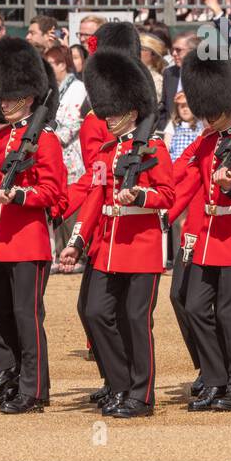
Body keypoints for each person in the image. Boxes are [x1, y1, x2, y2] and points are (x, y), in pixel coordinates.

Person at [0, 39, 66, 415]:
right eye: (1, 95)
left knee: (25, 315)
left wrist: (21, 197)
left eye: (9, 95)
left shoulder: (45, 139)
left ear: (29, 96)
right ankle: (7, 368)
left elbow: (53, 191)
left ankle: (33, 389)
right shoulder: (2, 136)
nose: (2, 102)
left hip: (27, 240)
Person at [69, 48, 172, 418]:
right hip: (109, 246)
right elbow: (95, 197)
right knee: (96, 312)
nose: (107, 118)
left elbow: (167, 195)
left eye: (113, 111)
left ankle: (141, 396)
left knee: (135, 320)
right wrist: (78, 240)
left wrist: (141, 194)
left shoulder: (154, 147)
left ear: (131, 110)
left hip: (141, 245)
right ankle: (119, 383)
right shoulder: (107, 151)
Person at [171, 53, 231, 412]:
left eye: (215, 108)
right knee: (195, 306)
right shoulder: (208, 143)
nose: (209, 115)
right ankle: (214, 378)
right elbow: (182, 178)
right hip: (208, 240)